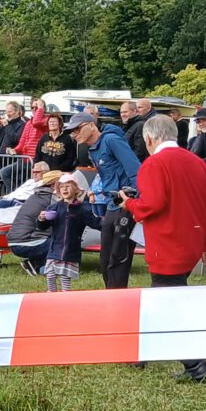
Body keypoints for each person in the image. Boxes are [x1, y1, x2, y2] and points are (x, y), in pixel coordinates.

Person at [119, 114, 206, 381]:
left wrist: (129, 204)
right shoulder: (196, 161)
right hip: (191, 243)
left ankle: (195, 365)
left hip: (166, 245)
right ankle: (141, 352)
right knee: (165, 299)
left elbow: (152, 204)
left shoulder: (154, 164)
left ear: (149, 138)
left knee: (166, 304)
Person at [67, 111, 141, 288]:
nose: (74, 134)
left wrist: (137, 201)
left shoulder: (111, 140)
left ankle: (117, 294)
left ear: (91, 125)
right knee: (106, 256)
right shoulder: (92, 149)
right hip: (111, 203)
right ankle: (110, 292)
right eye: (72, 131)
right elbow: (105, 177)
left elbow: (135, 170)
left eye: (77, 129)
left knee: (119, 255)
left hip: (126, 202)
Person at [34, 173, 97, 291]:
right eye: (62, 187)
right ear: (58, 191)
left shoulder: (82, 209)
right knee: (50, 275)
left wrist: (110, 223)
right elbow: (42, 227)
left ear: (76, 189)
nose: (64, 189)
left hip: (71, 251)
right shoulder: (54, 208)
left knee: (65, 277)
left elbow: (95, 223)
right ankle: (51, 294)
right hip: (54, 249)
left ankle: (65, 297)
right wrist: (41, 219)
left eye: (68, 186)